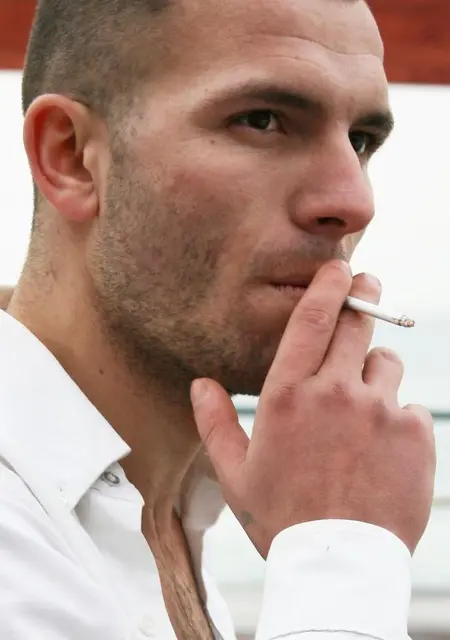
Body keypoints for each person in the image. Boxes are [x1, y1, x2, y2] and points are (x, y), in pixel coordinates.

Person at [0, 0, 436, 638]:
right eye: (262, 120)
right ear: (70, 156)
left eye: (360, 140)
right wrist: (338, 546)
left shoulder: (175, 511)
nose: (353, 200)